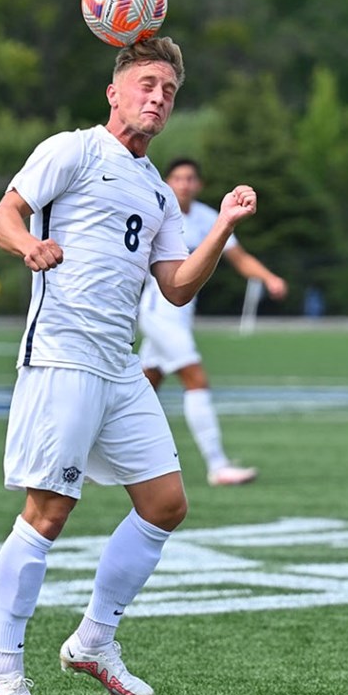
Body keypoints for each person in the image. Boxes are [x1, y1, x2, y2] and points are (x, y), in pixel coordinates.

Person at [0, 38, 259, 695]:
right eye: (147, 83)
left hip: (118, 364)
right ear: (114, 90)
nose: (158, 97)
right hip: (64, 355)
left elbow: (178, 286)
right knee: (48, 513)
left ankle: (94, 639)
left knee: (165, 503)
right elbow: (1, 216)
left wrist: (220, 224)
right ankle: (3, 668)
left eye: (169, 90)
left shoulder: (158, 190)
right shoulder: (71, 150)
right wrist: (29, 245)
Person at [137, 157, 289, 486]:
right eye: (177, 177)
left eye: (190, 178)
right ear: (167, 181)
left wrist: (269, 277)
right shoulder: (155, 210)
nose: (184, 184)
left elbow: (239, 258)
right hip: (158, 312)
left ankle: (92, 459)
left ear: (199, 184)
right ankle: (217, 465)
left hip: (181, 314)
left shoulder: (208, 217)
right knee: (196, 379)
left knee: (141, 388)